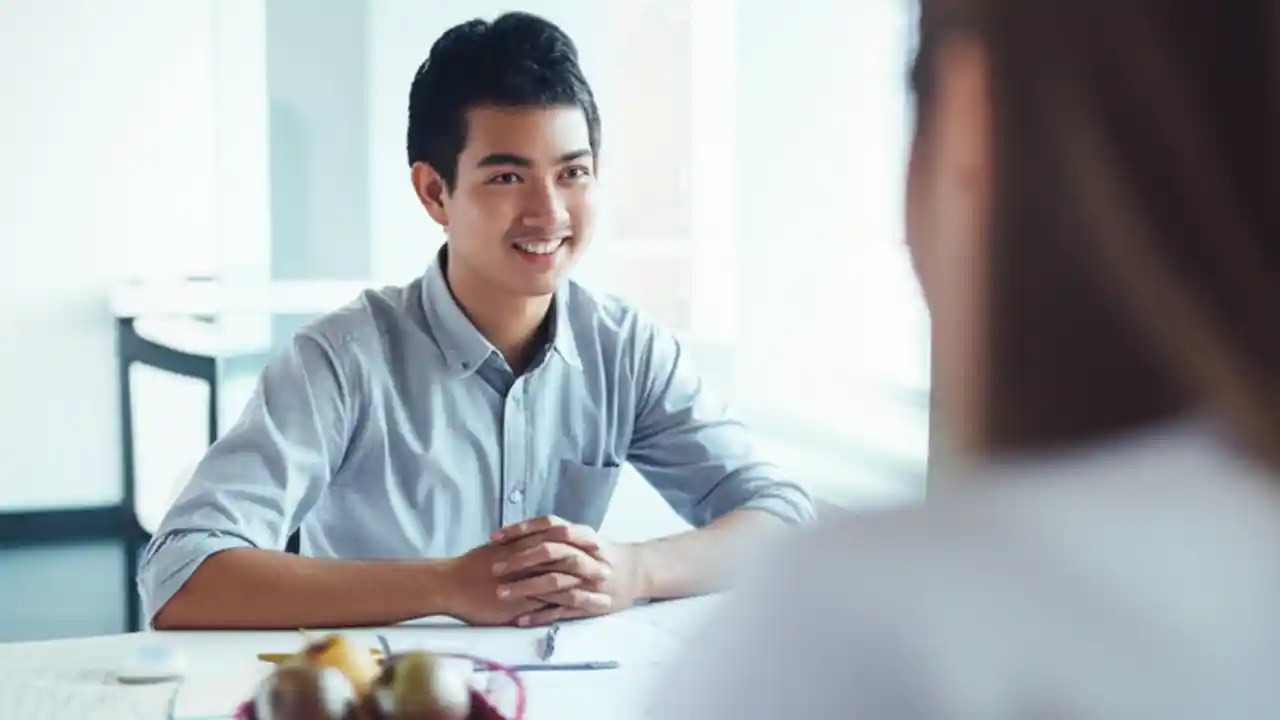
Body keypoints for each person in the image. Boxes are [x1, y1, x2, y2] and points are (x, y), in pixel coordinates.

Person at [666, 0, 1280, 717]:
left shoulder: (875, 613)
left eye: (576, 173)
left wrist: (633, 568)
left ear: (968, 122)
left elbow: (772, 505)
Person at [140, 12, 813, 630]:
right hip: (381, 694)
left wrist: (635, 570)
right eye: (507, 178)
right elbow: (180, 575)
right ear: (435, 192)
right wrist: (447, 586)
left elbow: (784, 517)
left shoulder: (624, 348)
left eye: (572, 173)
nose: (549, 213)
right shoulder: (340, 360)